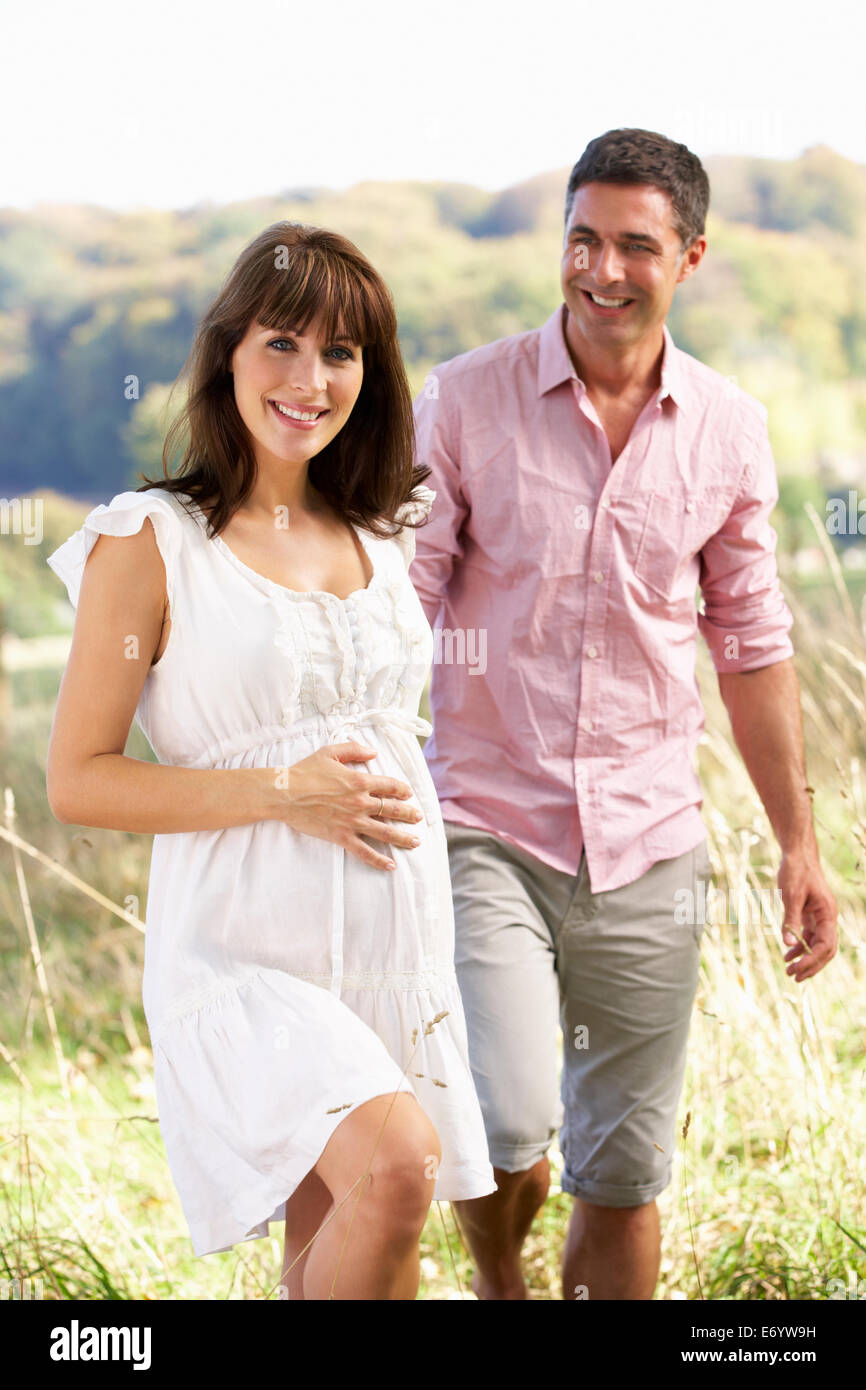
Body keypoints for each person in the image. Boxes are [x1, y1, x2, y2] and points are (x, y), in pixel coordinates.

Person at [410, 127, 839, 1301]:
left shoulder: (727, 429)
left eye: (633, 247)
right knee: (504, 1118)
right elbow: (398, 605)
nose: (601, 269)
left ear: (688, 258)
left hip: (650, 842)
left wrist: (796, 843)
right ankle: (500, 1275)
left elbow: (749, 644)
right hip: (484, 822)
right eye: (581, 239)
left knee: (622, 1171)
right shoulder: (461, 400)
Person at [45, 221, 495, 1301]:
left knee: (358, 1245)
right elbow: (78, 778)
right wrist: (284, 791)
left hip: (388, 948)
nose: (310, 378)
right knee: (398, 1167)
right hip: (242, 954)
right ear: (228, 354)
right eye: (281, 344)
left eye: (340, 353)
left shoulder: (383, 532)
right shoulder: (148, 540)